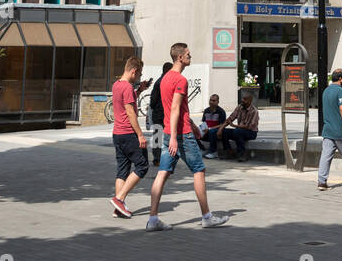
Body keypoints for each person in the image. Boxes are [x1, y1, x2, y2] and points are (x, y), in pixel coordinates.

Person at [146, 43, 229, 231]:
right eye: (188, 55)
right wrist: (177, 136)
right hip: (180, 134)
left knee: (162, 173)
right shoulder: (180, 80)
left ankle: (153, 219)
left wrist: (192, 125)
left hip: (169, 132)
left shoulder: (166, 78)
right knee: (199, 170)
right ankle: (207, 216)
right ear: (179, 57)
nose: (190, 57)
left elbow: (179, 109)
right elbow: (174, 108)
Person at [110, 56, 149, 218]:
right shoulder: (126, 87)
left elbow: (128, 100)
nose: (138, 78)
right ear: (133, 71)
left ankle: (118, 208)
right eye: (138, 75)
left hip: (117, 134)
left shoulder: (117, 85)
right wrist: (140, 134)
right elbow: (131, 112)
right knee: (142, 166)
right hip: (128, 134)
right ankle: (119, 199)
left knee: (122, 171)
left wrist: (140, 90)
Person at [219, 92, 260, 160]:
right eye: (242, 99)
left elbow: (248, 126)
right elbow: (230, 118)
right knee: (224, 132)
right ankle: (229, 152)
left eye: (245, 99)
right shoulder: (239, 107)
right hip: (239, 131)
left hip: (251, 133)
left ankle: (242, 154)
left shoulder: (254, 111)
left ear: (250, 101)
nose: (242, 100)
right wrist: (221, 128)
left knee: (238, 131)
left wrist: (234, 125)